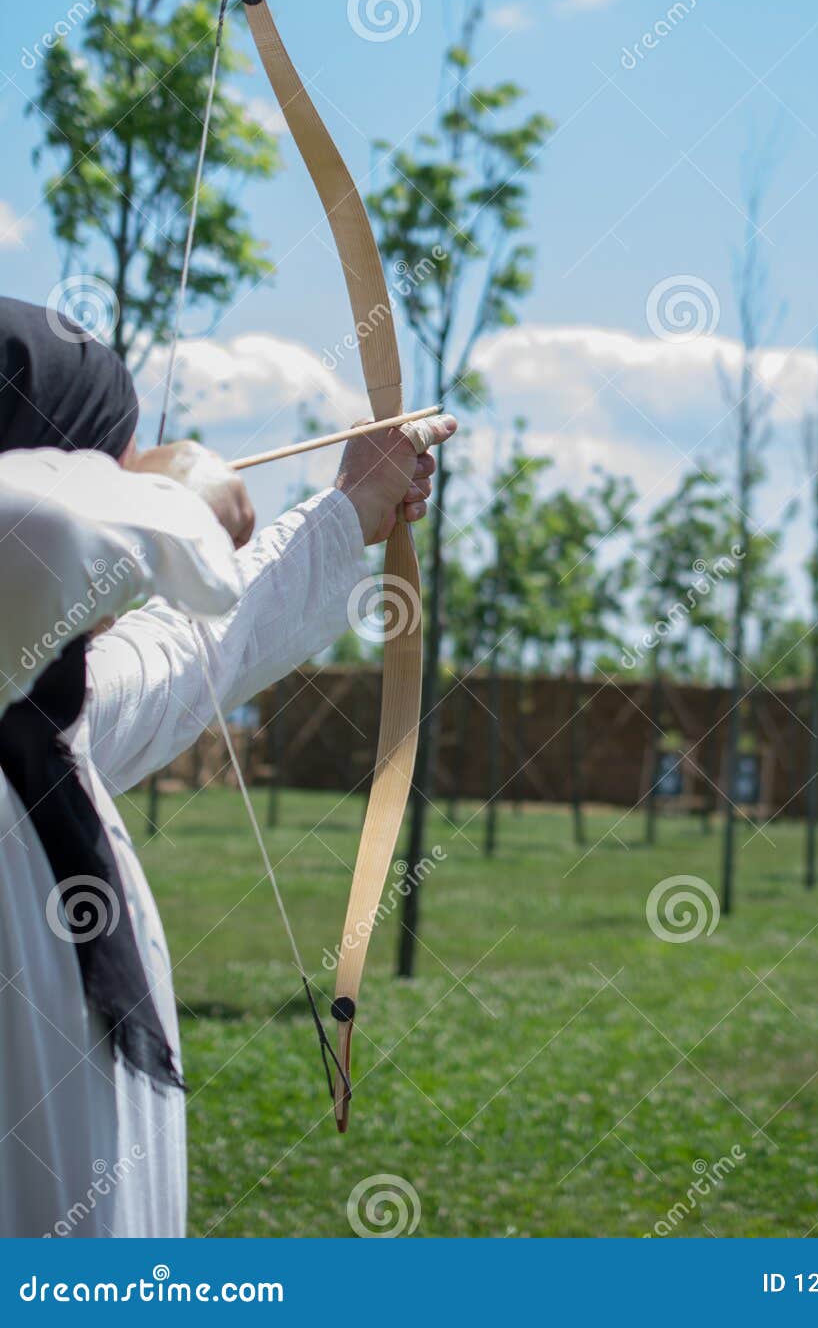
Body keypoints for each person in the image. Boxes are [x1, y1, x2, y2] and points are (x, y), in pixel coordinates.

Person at [0, 297, 454, 1237]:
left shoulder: (46, 734)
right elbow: (44, 539)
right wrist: (177, 493)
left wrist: (348, 509)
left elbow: (194, 646)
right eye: (97, 465)